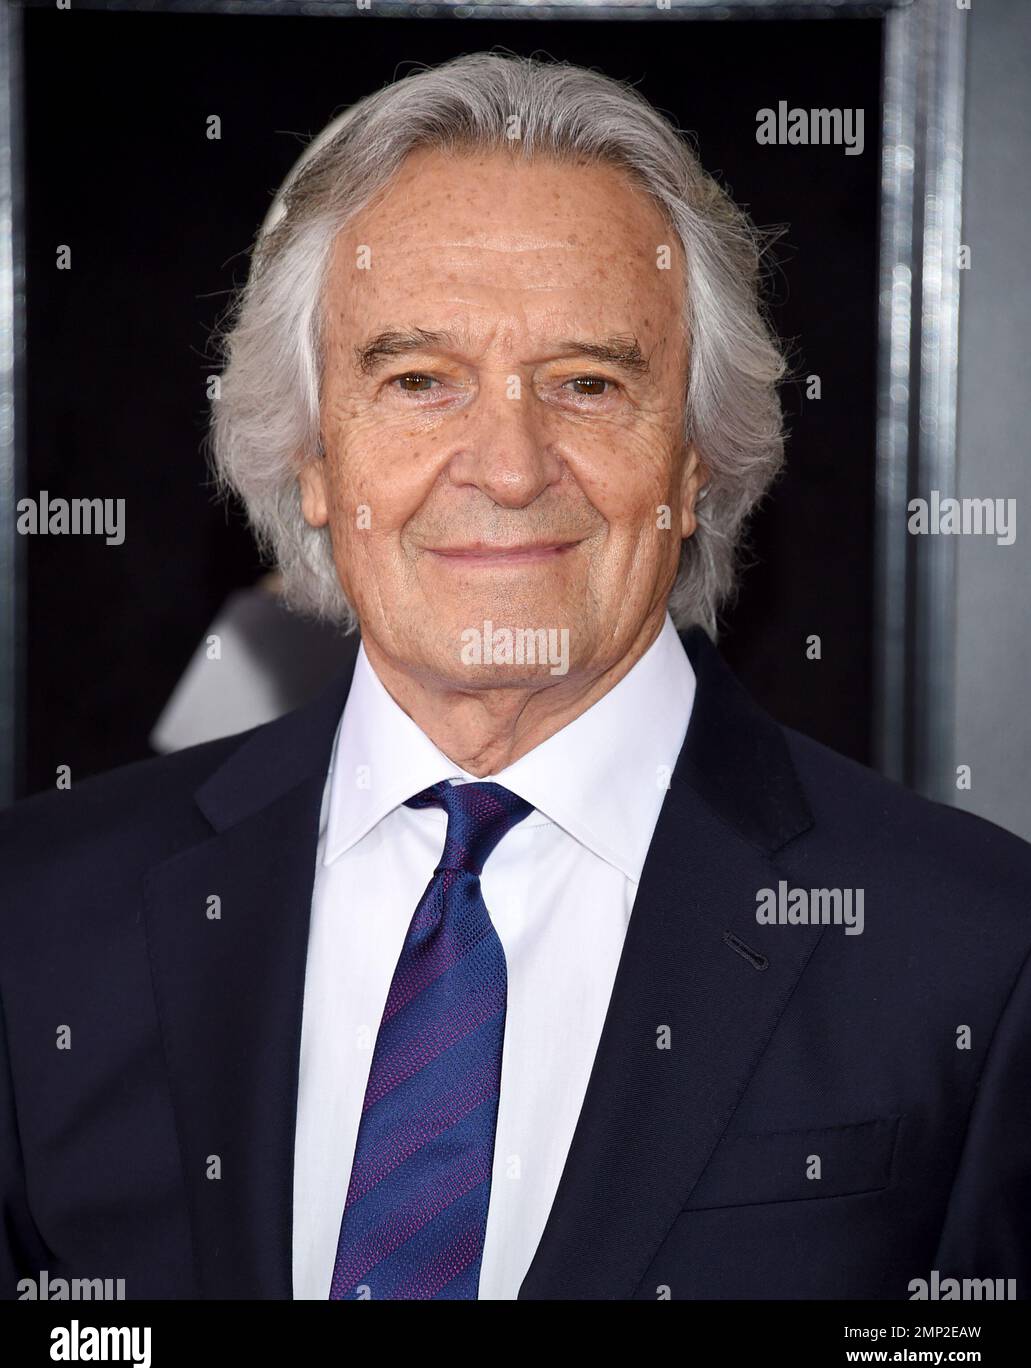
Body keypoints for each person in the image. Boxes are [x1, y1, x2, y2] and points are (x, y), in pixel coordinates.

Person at [2, 52, 1029, 1302]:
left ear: (697, 458)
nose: (504, 464)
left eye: (587, 384)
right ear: (313, 456)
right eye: (418, 380)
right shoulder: (38, 922)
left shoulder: (975, 949)